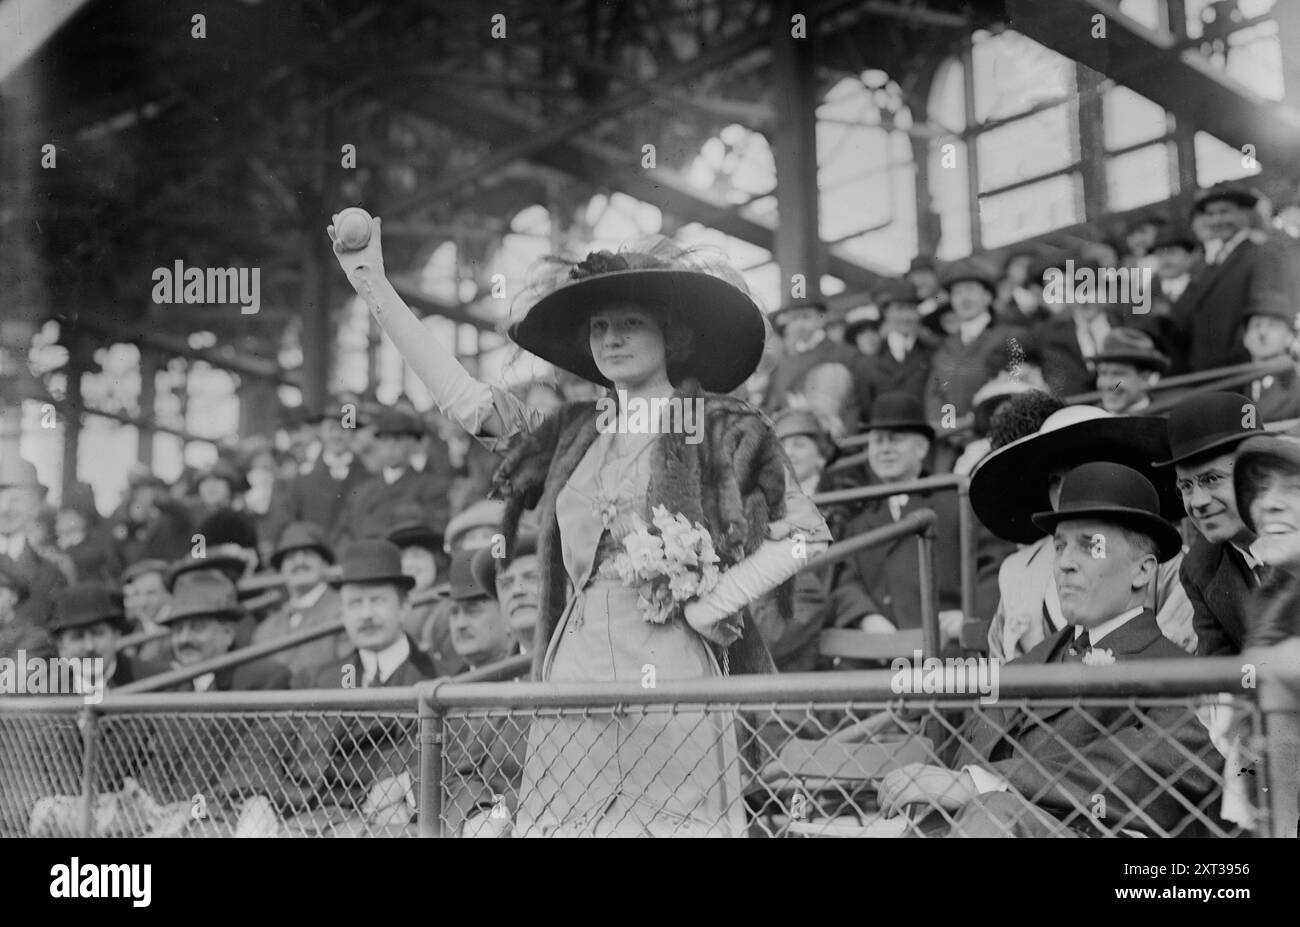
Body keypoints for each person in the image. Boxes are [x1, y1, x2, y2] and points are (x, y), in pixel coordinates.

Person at [329, 221, 830, 837]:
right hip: (572, 664)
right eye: (599, 328)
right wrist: (373, 284)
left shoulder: (724, 425)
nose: (612, 339)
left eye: (630, 324)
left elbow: (806, 535)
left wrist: (715, 602)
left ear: (669, 335)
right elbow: (466, 401)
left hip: (673, 664)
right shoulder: (573, 433)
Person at [876, 463, 1222, 837]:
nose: (1065, 563)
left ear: (1142, 571)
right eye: (1059, 546)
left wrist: (981, 784)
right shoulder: (1033, 659)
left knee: (994, 811)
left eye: (1091, 546)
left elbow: (1166, 764)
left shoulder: (1176, 671)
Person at [972, 405, 1194, 660]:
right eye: (1055, 480)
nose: (1066, 491)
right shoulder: (1017, 571)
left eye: (1082, 475)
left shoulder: (1169, 565)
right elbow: (1000, 665)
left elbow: (1167, 662)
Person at [829, 393, 967, 646]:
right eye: (877, 441)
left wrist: (969, 615)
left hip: (946, 653)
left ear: (922, 448)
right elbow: (846, 581)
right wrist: (866, 616)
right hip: (881, 654)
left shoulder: (955, 504)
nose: (885, 449)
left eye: (896, 440)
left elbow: (991, 567)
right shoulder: (859, 522)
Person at [1157, 391, 1266, 655]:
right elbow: (1221, 668)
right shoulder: (1199, 567)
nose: (1197, 502)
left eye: (1211, 479)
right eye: (1185, 486)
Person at [1169, 183, 1291, 374]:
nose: (1217, 220)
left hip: (1235, 370)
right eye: (1210, 214)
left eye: (1224, 212)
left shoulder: (1260, 253)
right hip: (1204, 371)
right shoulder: (1212, 260)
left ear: (1245, 214)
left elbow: (1261, 311)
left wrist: (1237, 360)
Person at [924, 260, 1027, 468]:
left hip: (996, 440)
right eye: (958, 292)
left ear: (987, 297)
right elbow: (936, 395)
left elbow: (1018, 385)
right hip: (952, 445)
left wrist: (977, 423)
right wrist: (952, 429)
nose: (964, 298)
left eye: (971, 290)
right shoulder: (945, 348)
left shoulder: (1009, 338)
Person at [332, 408, 452, 545]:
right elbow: (343, 535)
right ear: (377, 444)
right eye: (385, 439)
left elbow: (435, 532)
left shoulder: (432, 488)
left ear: (413, 444)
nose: (391, 446)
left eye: (398, 439)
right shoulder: (361, 491)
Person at [252, 522, 349, 685]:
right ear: (281, 569)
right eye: (290, 556)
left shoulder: (343, 609)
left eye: (309, 553)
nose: (299, 561)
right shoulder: (264, 630)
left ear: (325, 563)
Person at [161, 570, 291, 691]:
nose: (184, 639)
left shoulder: (264, 680)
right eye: (178, 630)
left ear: (228, 634)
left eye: (197, 628)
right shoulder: (170, 687)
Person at [264, 402, 371, 549]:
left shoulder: (368, 478)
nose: (337, 436)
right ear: (320, 431)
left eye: (345, 429)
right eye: (331, 429)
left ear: (353, 433)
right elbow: (287, 523)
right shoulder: (302, 479)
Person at [761, 297, 874, 430]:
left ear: (821, 318)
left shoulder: (846, 354)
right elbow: (771, 405)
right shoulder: (782, 361)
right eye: (793, 318)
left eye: (806, 317)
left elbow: (864, 405)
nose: (799, 325)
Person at [386, 511, 463, 676]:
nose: (410, 564)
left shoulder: (447, 607)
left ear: (436, 561)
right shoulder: (387, 608)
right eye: (402, 557)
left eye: (418, 555)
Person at [50, 582, 167, 690]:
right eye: (78, 637)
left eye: (97, 633)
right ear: (61, 645)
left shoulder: (160, 682)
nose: (89, 646)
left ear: (116, 635)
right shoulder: (46, 696)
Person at [0, 456, 68, 628]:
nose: (5, 509)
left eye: (16, 500)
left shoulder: (52, 572)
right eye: (0, 499)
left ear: (34, 507)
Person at [444, 549, 517, 670]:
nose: (460, 624)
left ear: (506, 614)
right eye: (454, 612)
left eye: (472, 611)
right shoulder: (448, 684)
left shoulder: (536, 678)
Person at [864, 279, 933, 404]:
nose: (906, 316)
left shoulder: (931, 352)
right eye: (899, 309)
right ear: (886, 313)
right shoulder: (871, 355)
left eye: (911, 309)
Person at [471, 535, 540, 654]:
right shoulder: (498, 672)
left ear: (567, 588)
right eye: (506, 585)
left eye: (532, 578)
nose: (517, 591)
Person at [1241, 295, 1300, 423]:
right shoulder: (1234, 388)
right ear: (1245, 338)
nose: (1262, 332)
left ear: (1289, 337)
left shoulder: (1296, 389)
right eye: (1256, 325)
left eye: (1272, 325)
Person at [1092, 328, 1169, 414]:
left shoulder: (1166, 420)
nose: (1107, 384)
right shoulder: (1087, 421)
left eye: (1117, 373)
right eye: (1102, 373)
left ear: (1144, 378)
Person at [119, 558, 173, 665]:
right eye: (138, 594)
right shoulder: (139, 628)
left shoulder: (176, 628)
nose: (143, 601)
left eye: (151, 593)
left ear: (168, 594)